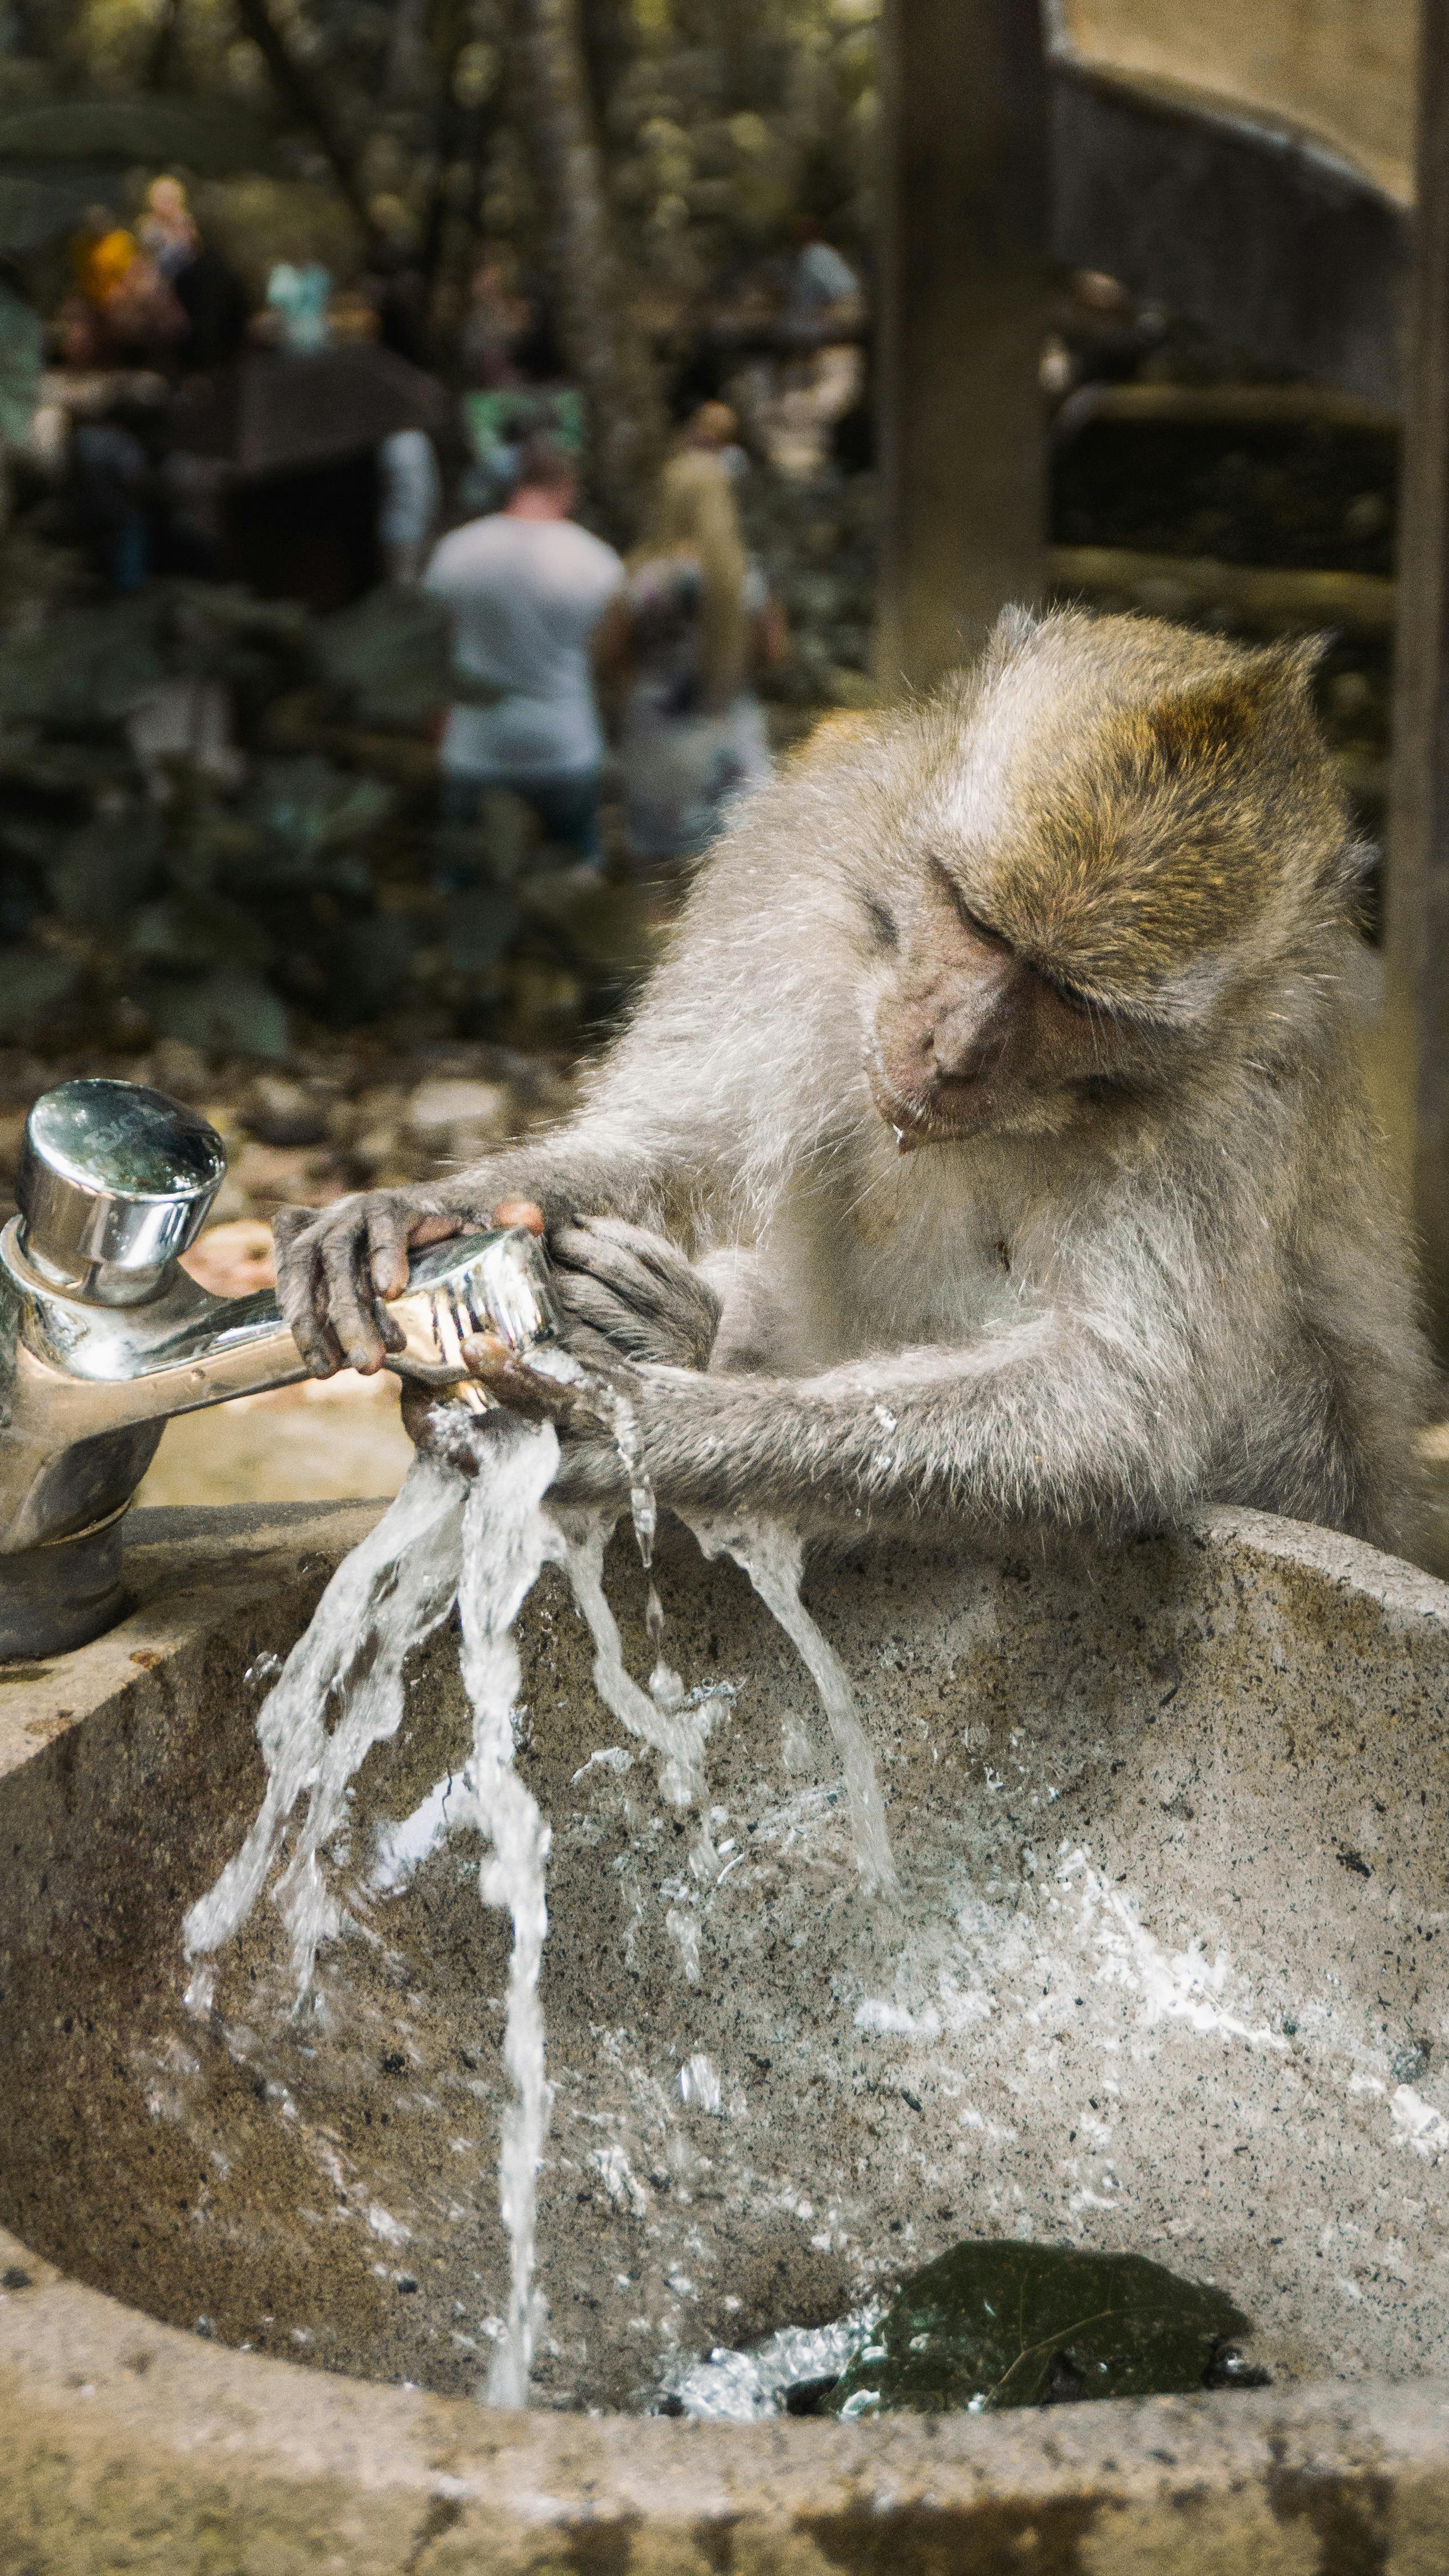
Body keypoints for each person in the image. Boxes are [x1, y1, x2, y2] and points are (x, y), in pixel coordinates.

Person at [423, 433, 623, 867]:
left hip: (476, 746)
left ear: (516, 483)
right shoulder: (597, 562)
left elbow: (429, 648)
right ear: (567, 489)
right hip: (564, 745)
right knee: (574, 885)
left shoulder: (456, 552)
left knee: (468, 880)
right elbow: (612, 659)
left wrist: (436, 715)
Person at [597, 448, 778, 870]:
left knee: (658, 875)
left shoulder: (642, 575)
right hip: (729, 734)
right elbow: (773, 651)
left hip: (657, 732)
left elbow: (609, 652)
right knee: (732, 872)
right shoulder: (744, 577)